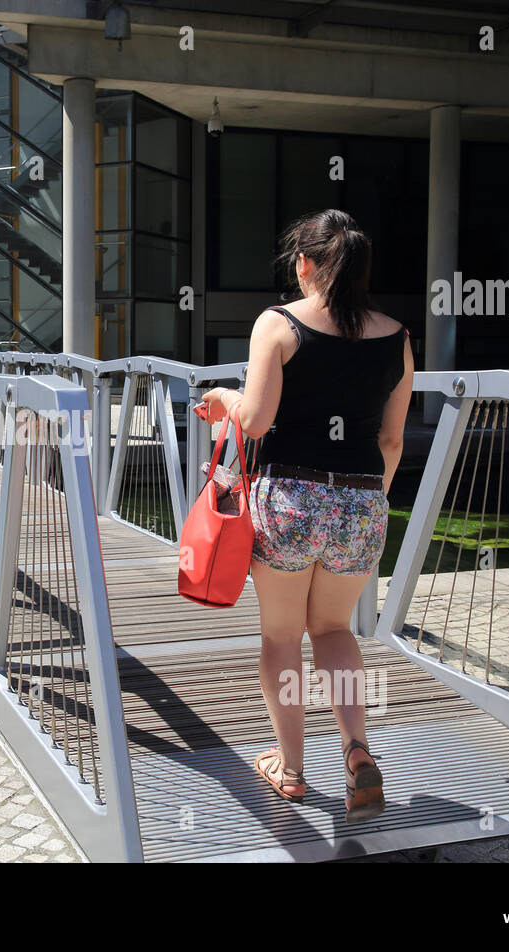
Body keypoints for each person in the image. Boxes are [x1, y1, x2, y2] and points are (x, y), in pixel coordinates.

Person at [198, 209, 413, 821]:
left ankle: (290, 769)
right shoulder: (396, 336)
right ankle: (356, 747)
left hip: (289, 500)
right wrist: (368, 499)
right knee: (335, 631)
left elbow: (257, 420)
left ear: (306, 264)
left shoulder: (279, 323)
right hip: (362, 503)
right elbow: (392, 442)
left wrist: (224, 399)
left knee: (281, 635)